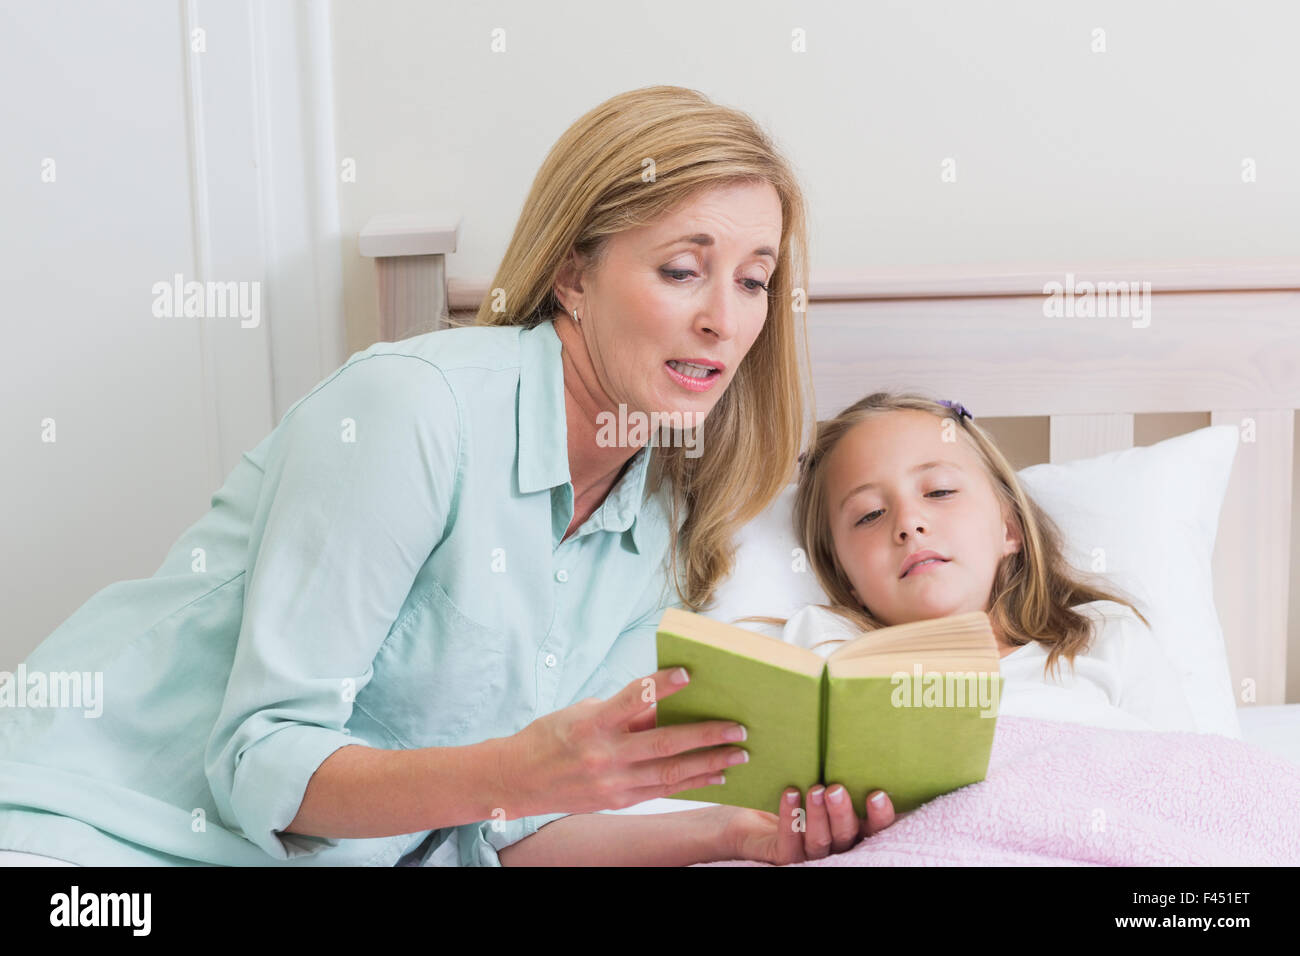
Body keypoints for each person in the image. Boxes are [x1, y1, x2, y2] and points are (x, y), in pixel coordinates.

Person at [0, 86, 896, 868]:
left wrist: (737, 836)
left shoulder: (655, 530)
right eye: (682, 270)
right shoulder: (412, 411)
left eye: (754, 282)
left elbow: (508, 835)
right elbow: (259, 759)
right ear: (572, 274)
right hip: (86, 830)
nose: (724, 322)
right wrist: (516, 770)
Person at [742, 391, 1195, 734]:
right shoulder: (826, 642)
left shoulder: (1102, 637)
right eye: (870, 515)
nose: (909, 523)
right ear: (847, 579)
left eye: (939, 491)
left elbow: (1190, 784)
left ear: (1009, 530)